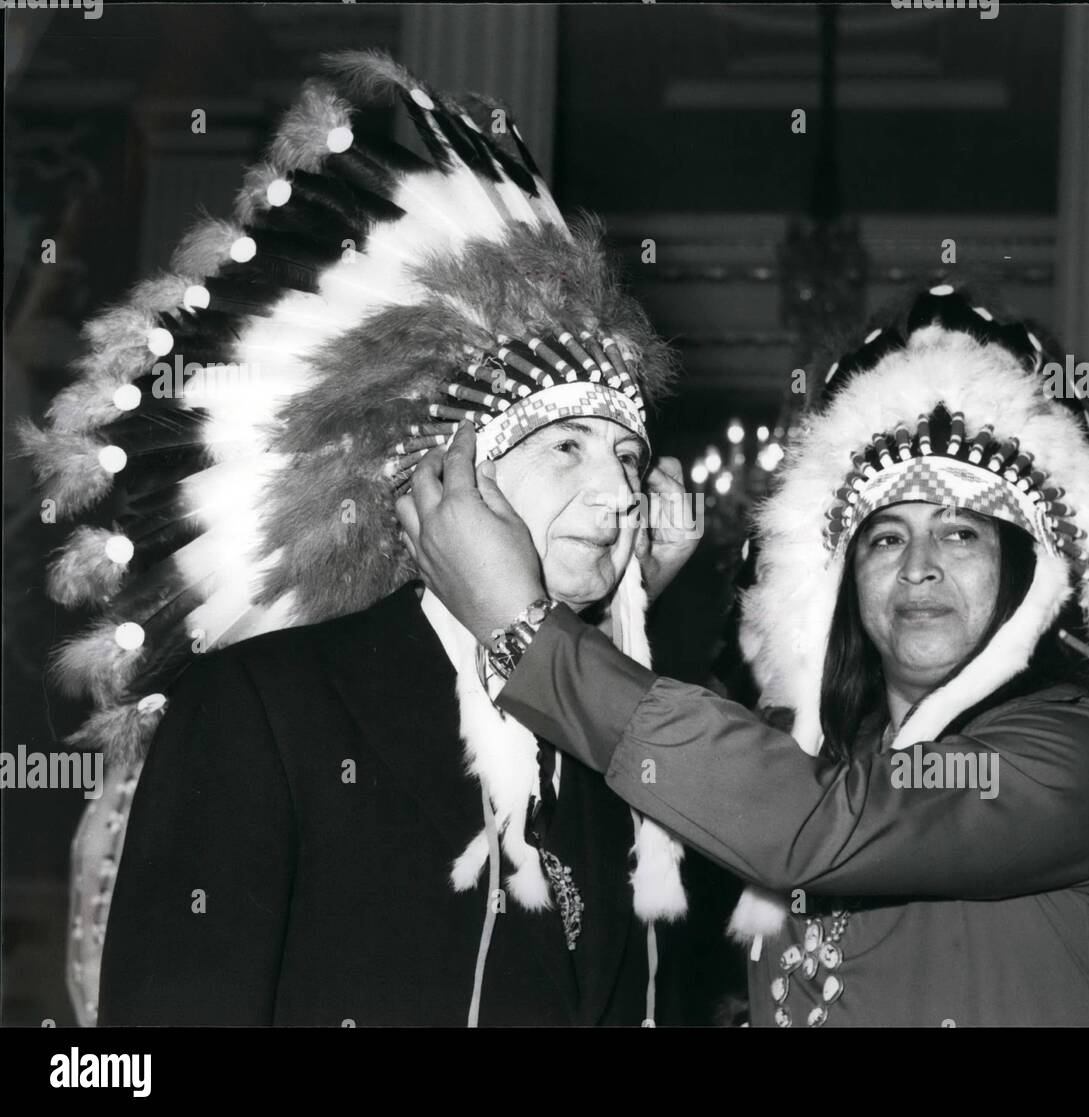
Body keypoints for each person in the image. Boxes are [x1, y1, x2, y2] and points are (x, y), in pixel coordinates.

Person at [22, 50, 703, 1026]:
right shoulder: (264, 708)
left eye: (631, 457)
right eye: (567, 447)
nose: (621, 491)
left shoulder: (606, 748)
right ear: (449, 476)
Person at [398, 285, 1089, 1027]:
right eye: (885, 538)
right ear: (846, 579)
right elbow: (637, 840)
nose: (919, 567)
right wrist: (626, 610)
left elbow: (809, 823)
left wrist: (524, 629)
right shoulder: (810, 752)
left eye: (961, 533)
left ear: (1026, 573)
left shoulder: (1085, 753)